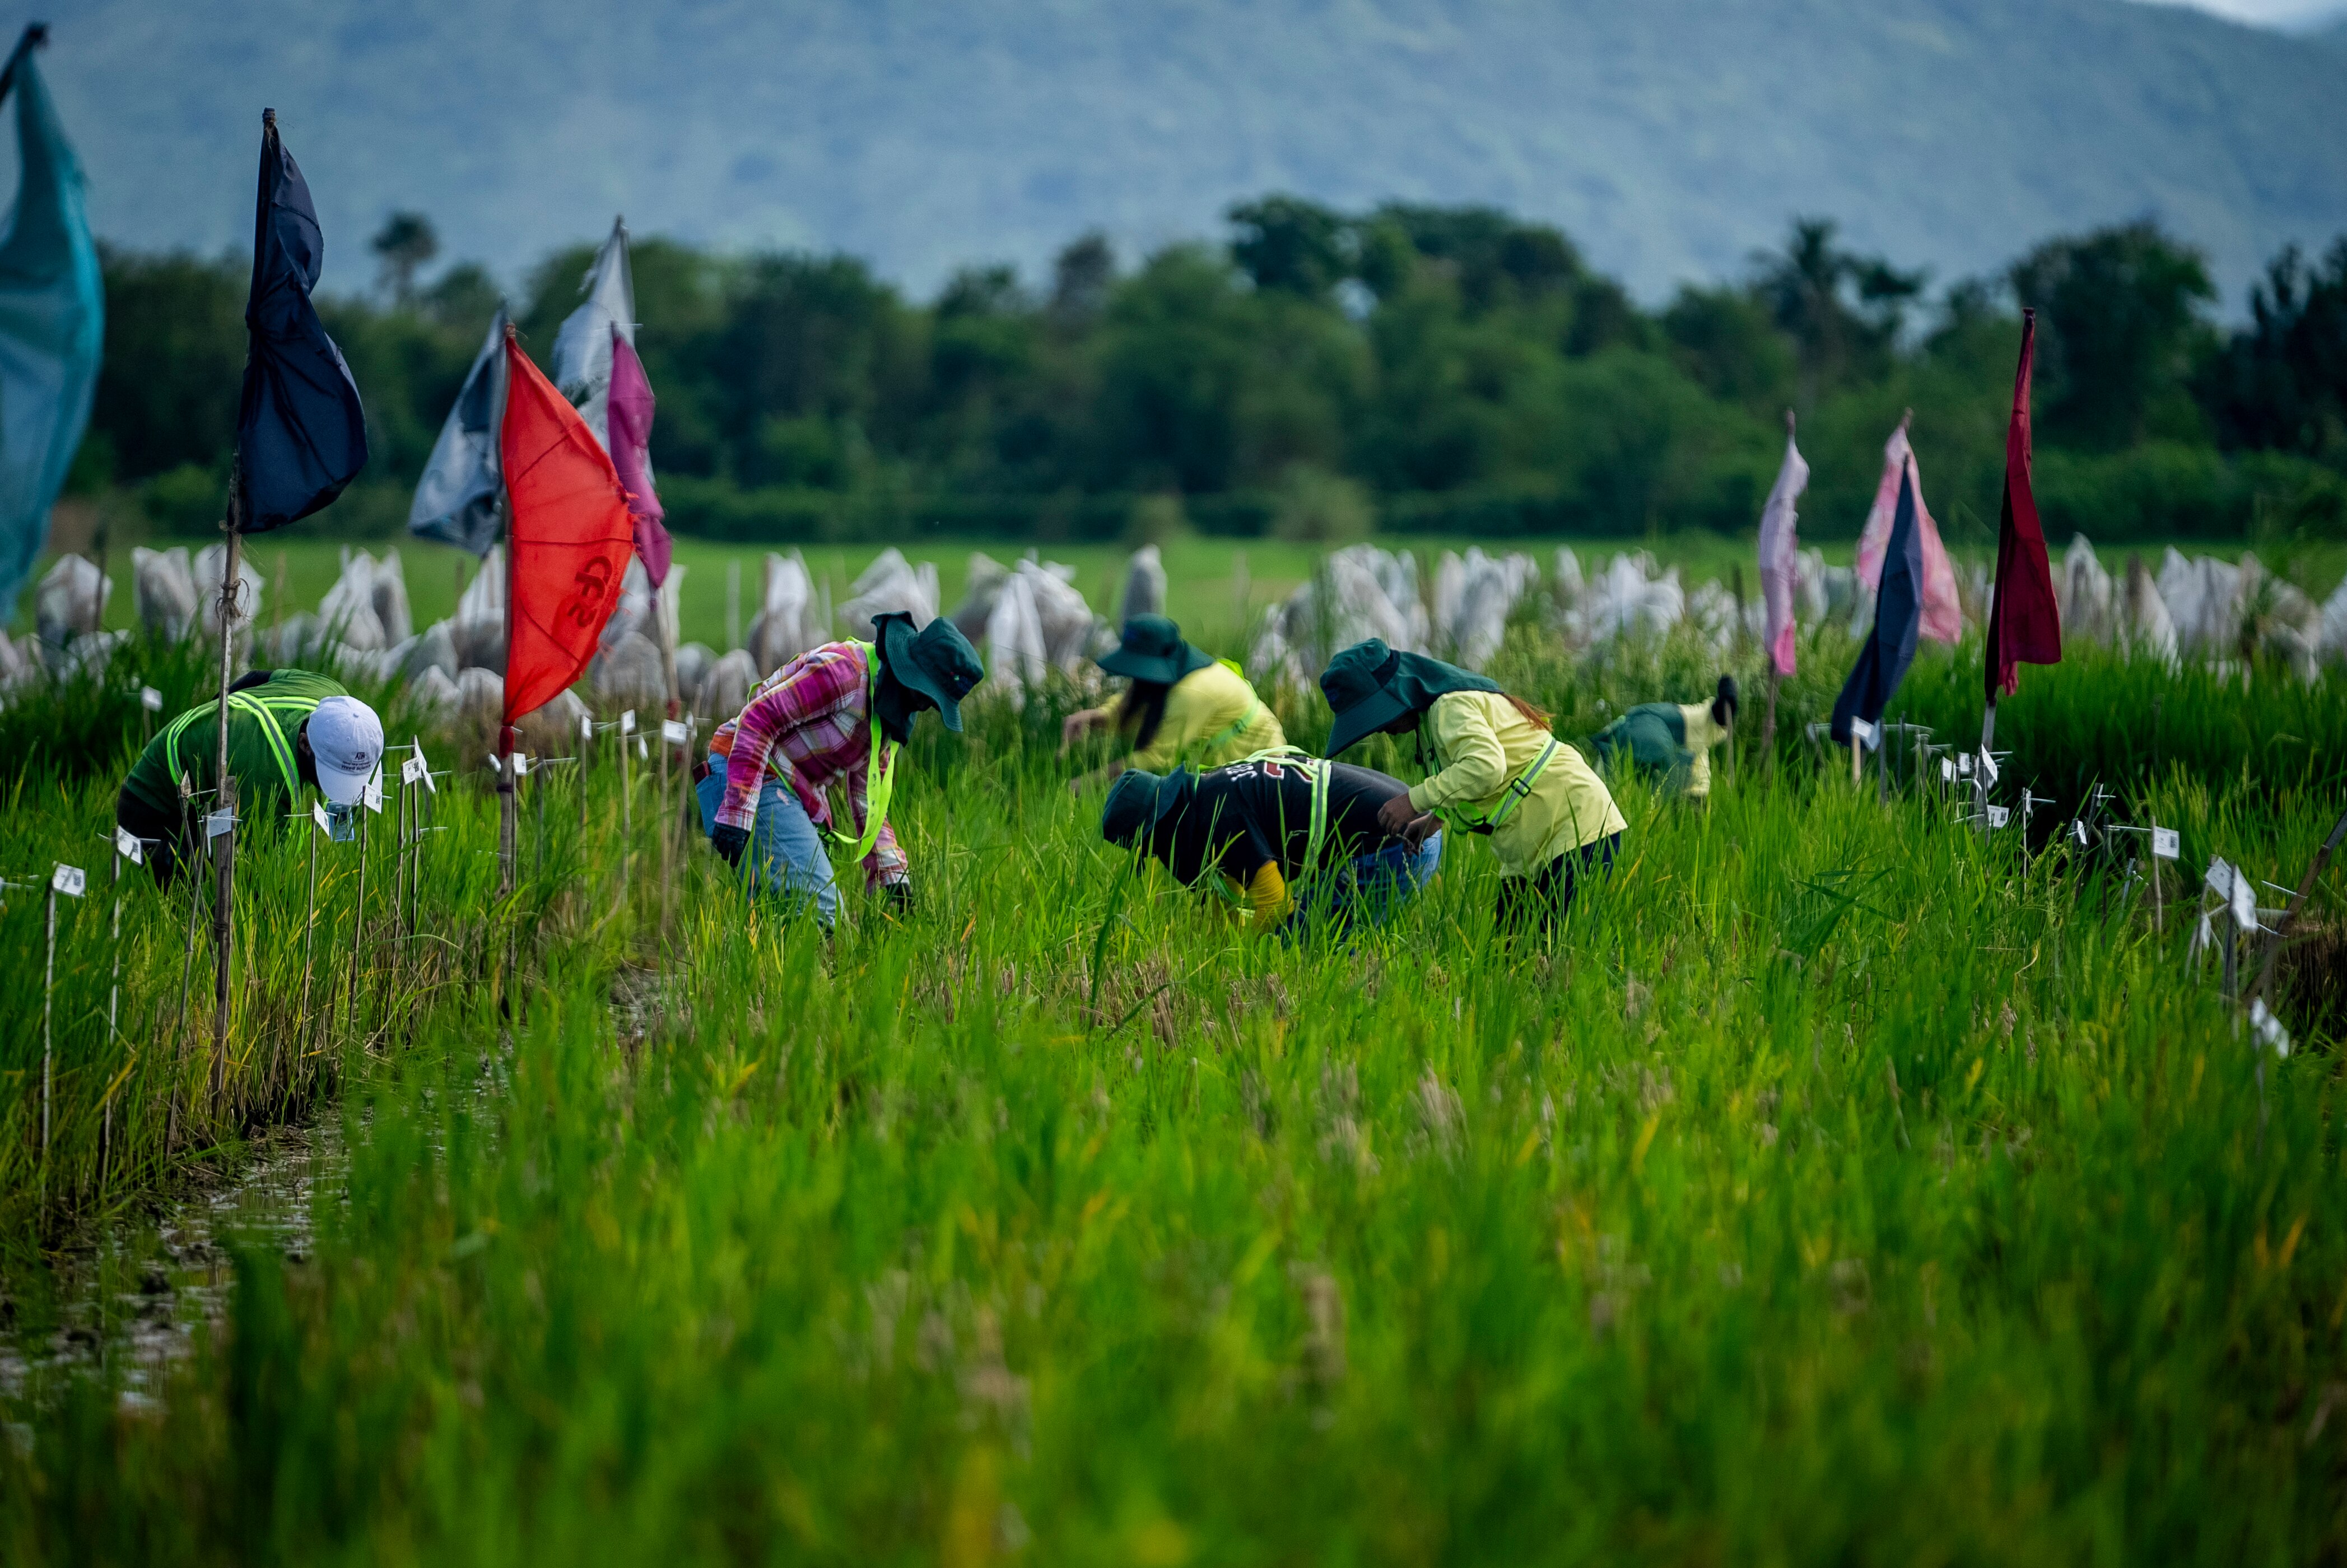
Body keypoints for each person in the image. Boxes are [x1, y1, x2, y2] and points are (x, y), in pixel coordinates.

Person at [699, 610, 982, 927]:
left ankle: (758, 975)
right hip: (746, 772)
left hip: (786, 791)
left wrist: (893, 876)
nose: (926, 706)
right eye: (928, 696)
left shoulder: (886, 716)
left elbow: (867, 799)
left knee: (777, 921)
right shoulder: (845, 674)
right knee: (821, 908)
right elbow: (758, 718)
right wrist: (738, 812)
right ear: (910, 673)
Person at [1319, 639, 1625, 932]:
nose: (1383, 729)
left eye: (1378, 715)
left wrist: (1413, 801)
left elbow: (1487, 767)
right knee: (1511, 959)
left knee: (1552, 955)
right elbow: (1473, 774)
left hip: (1574, 829)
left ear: (1398, 692)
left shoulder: (1449, 707)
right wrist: (1437, 818)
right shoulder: (1432, 719)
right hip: (1533, 843)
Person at [1099, 752, 1441, 936]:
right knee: (1310, 924)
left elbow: (1275, 904)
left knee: (1299, 939)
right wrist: (1222, 944)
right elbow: (1229, 893)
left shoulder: (1220, 816)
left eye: (1154, 848)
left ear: (1162, 828)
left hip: (1404, 842)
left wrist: (1244, 955)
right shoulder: (1211, 792)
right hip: (1414, 828)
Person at [117, 668, 384, 887]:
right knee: (192, 898)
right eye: (333, 775)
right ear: (305, 744)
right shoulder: (266, 777)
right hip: (154, 807)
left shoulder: (331, 696)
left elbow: (256, 677)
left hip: (217, 781)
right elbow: (258, 881)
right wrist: (222, 731)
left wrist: (217, 718)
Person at [1062, 615, 1284, 793]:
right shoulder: (1168, 674)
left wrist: (1085, 784)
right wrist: (1094, 718)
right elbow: (1131, 704)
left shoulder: (1191, 693)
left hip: (1263, 770)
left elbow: (1156, 758)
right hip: (1223, 771)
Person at [1589, 676, 1739, 800]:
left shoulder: (1699, 753)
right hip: (1638, 740)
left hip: (1615, 763)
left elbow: (1710, 721)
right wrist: (1721, 708)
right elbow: (1706, 719)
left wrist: (1723, 708)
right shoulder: (1671, 723)